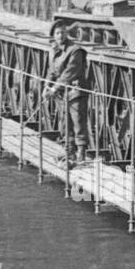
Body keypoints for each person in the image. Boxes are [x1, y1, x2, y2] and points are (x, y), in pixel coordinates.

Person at [46, 22, 90, 165]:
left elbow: (70, 72)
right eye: (58, 33)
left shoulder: (75, 50)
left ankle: (81, 154)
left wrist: (54, 88)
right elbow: (52, 71)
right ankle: (69, 151)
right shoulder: (54, 50)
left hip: (76, 90)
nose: (61, 35)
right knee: (65, 122)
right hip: (62, 92)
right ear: (53, 35)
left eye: (63, 32)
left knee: (78, 122)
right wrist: (46, 86)